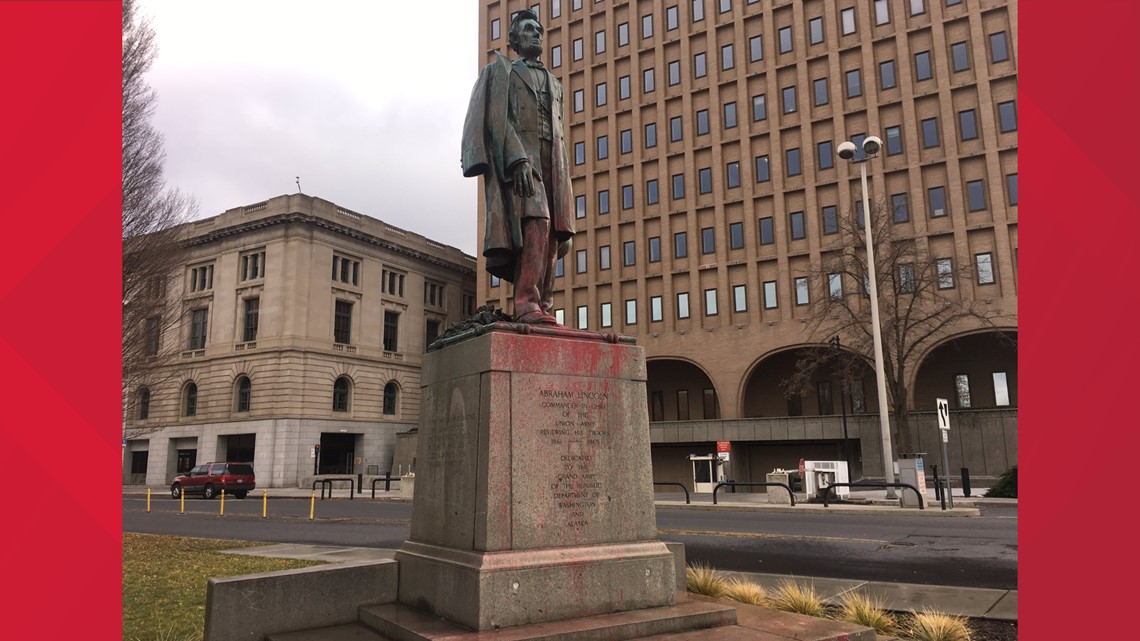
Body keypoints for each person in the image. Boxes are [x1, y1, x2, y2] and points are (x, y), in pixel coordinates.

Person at [461, 9, 574, 326]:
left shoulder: (555, 84)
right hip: (522, 160)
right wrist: (517, 158)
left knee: (554, 232)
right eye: (528, 29)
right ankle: (526, 301)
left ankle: (544, 305)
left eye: (539, 29)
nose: (536, 33)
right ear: (513, 39)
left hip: (554, 161)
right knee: (537, 221)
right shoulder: (501, 72)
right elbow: (498, 120)